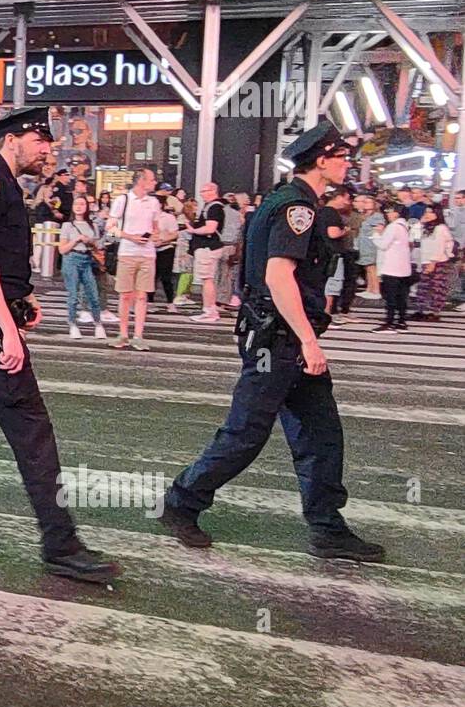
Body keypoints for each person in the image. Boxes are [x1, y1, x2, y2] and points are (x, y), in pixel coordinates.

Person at [160, 121, 384, 562]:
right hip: (278, 341)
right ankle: (182, 502)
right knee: (246, 433)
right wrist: (308, 341)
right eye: (342, 157)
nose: (346, 165)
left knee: (321, 434)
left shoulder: (294, 202)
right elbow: (278, 276)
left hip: (283, 339)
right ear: (322, 160)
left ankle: (327, 527)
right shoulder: (297, 208)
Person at [0, 106, 118, 584]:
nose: (48, 150)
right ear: (12, 140)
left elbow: (2, 259)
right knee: (33, 433)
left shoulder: (7, 183)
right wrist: (8, 329)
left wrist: (24, 294)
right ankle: (61, 544)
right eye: (40, 141)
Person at [106, 168, 161, 350]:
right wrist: (129, 236)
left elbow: (155, 226)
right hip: (127, 252)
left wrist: (154, 234)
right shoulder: (123, 200)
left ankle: (138, 335)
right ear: (141, 181)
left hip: (147, 254)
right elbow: (110, 227)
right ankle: (123, 334)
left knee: (142, 296)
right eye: (152, 180)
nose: (155, 183)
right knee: (125, 295)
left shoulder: (153, 202)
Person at [58, 195, 107, 340]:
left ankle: (98, 324)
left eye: (82, 204)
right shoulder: (67, 225)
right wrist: (76, 239)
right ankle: (73, 324)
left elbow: (98, 246)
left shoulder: (93, 225)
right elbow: (62, 249)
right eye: (76, 204)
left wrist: (90, 241)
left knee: (93, 294)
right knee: (73, 295)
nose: (79, 207)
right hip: (71, 259)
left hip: (87, 259)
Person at [187, 182, 227, 323]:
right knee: (208, 280)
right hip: (210, 246)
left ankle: (210, 311)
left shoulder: (214, 207)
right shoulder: (215, 207)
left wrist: (193, 231)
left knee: (207, 279)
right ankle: (209, 309)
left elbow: (210, 228)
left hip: (208, 247)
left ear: (213, 191)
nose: (202, 194)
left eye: (204, 191)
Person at [371, 203, 412, 331]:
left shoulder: (393, 227)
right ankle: (401, 321)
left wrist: (376, 235)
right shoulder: (405, 226)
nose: (388, 214)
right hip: (404, 267)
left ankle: (389, 322)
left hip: (391, 267)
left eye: (390, 211)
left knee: (390, 297)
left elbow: (383, 245)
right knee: (401, 296)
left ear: (397, 213)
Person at [410, 204, 454, 321]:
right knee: (423, 287)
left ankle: (434, 312)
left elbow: (439, 246)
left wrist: (433, 262)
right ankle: (421, 310)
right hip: (426, 261)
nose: (427, 215)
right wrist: (420, 222)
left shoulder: (440, 228)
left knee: (437, 287)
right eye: (426, 212)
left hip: (438, 262)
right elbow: (413, 236)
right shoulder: (426, 227)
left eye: (431, 212)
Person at [317, 186, 353, 324]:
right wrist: (345, 231)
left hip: (324, 253)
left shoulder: (322, 212)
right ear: (338, 197)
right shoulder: (332, 213)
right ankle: (326, 315)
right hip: (334, 253)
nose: (347, 202)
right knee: (332, 285)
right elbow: (333, 233)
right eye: (346, 198)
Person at [150, 186, 180, 305]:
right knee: (151, 277)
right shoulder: (147, 217)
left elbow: (174, 233)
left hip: (166, 249)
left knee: (166, 277)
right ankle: (150, 301)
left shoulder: (169, 217)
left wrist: (162, 240)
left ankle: (170, 302)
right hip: (150, 249)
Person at [356, 193, 383, 300]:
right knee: (367, 267)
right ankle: (369, 288)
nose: (364, 204)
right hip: (363, 245)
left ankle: (376, 290)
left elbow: (380, 229)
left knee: (372, 268)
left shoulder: (377, 216)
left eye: (367, 202)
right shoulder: (365, 216)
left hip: (371, 245)